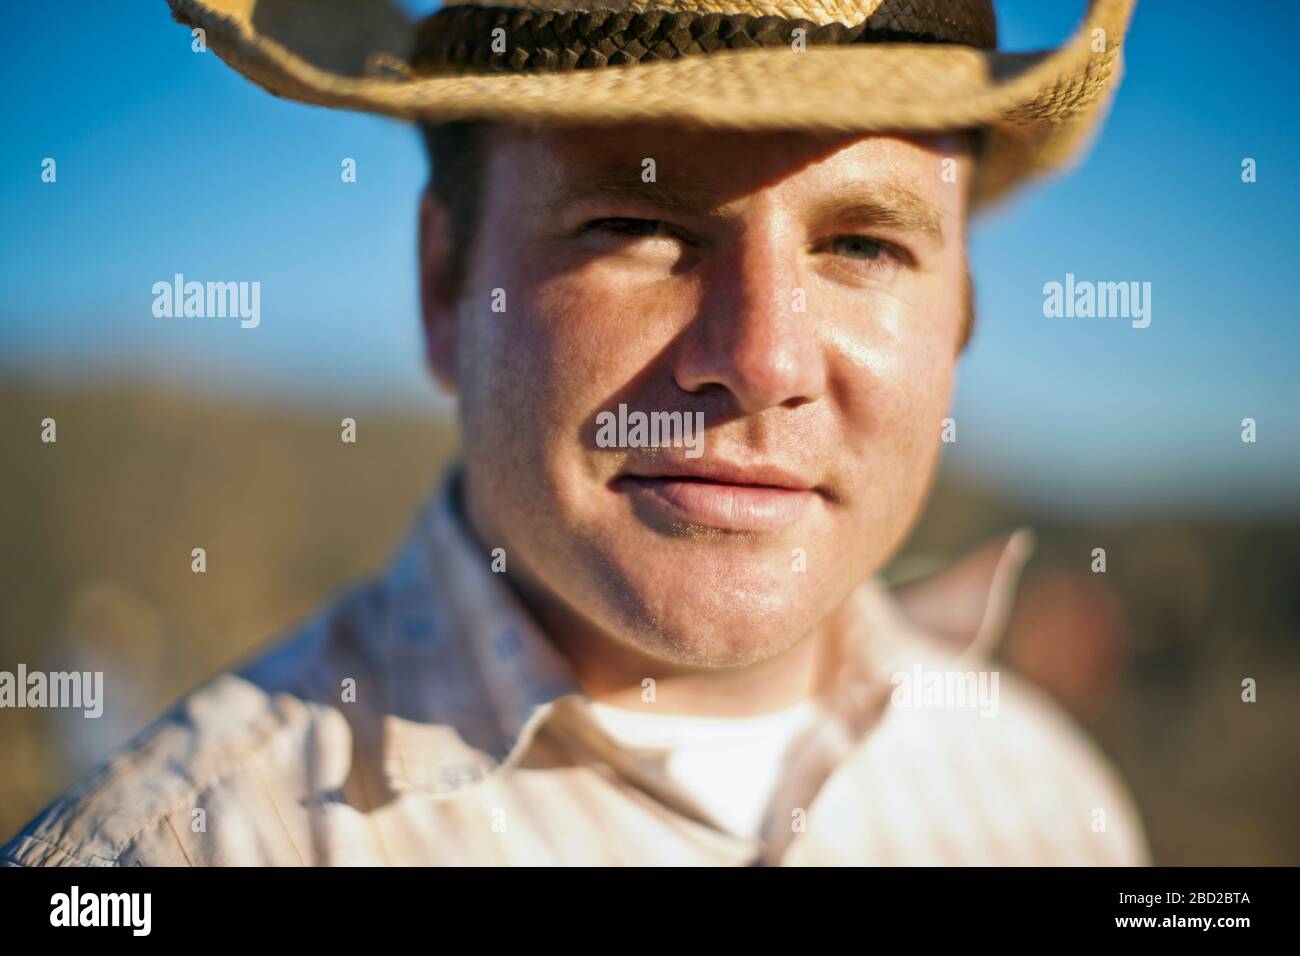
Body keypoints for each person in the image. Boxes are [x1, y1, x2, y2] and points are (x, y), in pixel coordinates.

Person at [1, 0, 1147, 866]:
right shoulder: (167, 855)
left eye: (862, 245)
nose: (761, 361)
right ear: (444, 287)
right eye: (638, 226)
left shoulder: (1048, 803)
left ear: (961, 320)